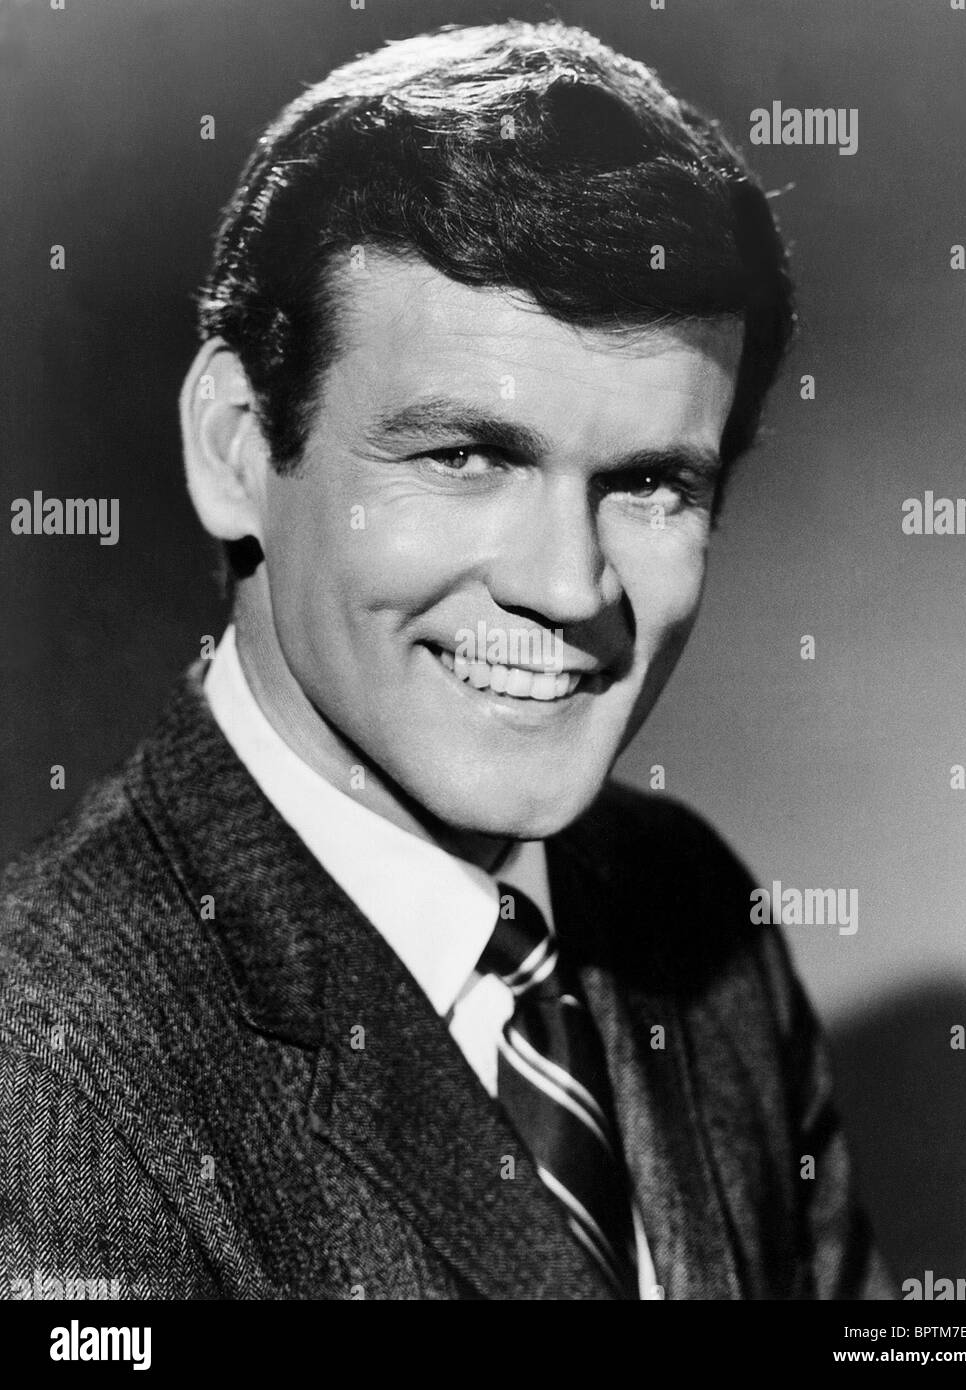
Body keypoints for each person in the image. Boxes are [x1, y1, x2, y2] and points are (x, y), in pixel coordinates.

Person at [0, 21, 894, 1300]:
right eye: (464, 457)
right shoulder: (46, 1063)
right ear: (237, 448)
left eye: (650, 483)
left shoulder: (695, 914)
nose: (566, 586)